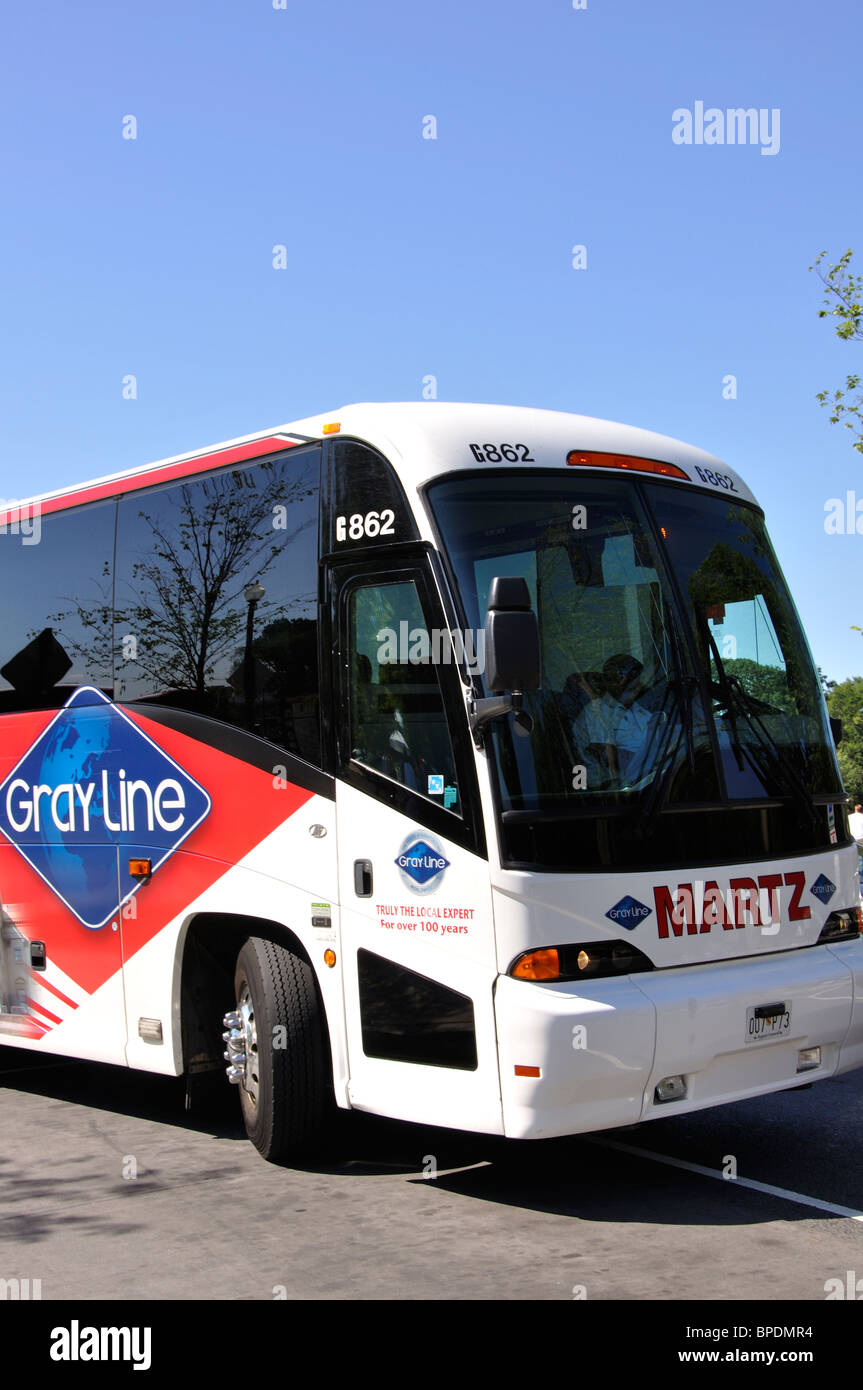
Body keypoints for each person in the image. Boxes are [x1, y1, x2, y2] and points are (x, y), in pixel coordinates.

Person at [572, 653, 660, 787]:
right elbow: (604, 759)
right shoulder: (596, 714)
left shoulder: (641, 709)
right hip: (627, 787)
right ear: (615, 686)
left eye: (639, 684)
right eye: (631, 688)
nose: (638, 689)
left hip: (658, 776)